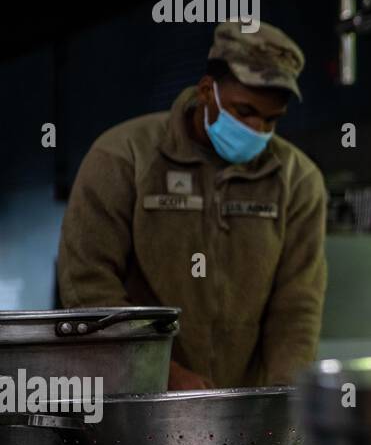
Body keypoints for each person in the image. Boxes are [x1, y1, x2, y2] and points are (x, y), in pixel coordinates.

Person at [57, 20, 328, 387]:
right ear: (206, 91)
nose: (259, 130)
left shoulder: (297, 180)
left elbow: (297, 305)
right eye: (245, 111)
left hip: (243, 410)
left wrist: (284, 402)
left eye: (271, 119)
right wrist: (162, 373)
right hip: (134, 401)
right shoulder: (125, 157)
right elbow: (86, 286)